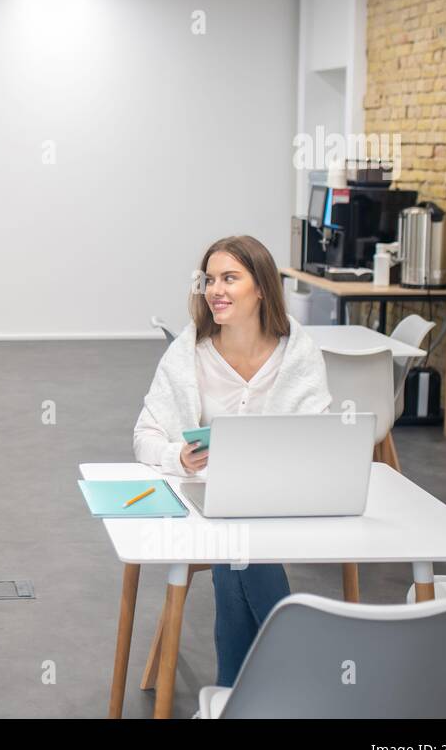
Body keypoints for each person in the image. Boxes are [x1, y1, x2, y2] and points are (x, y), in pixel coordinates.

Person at [133, 235, 331, 687]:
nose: (215, 290)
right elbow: (144, 436)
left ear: (261, 287)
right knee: (235, 546)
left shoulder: (297, 353)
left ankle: (234, 695)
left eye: (230, 278)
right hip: (210, 500)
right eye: (209, 279)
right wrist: (179, 456)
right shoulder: (190, 352)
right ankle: (285, 679)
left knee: (234, 552)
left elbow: (318, 439)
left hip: (283, 501)